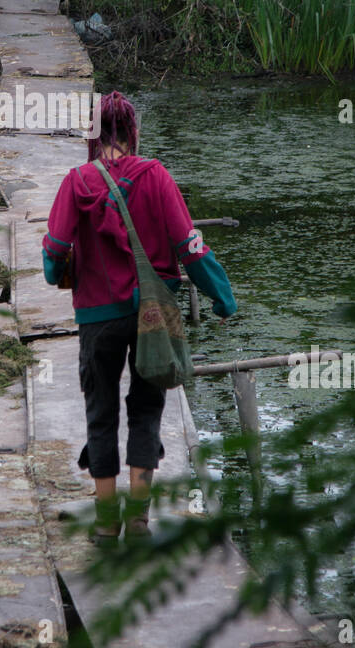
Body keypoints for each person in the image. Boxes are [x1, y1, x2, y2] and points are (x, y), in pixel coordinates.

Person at [42, 90, 236, 545]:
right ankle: (139, 523)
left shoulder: (76, 181)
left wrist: (57, 275)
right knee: (147, 412)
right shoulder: (156, 176)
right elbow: (191, 248)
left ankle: (106, 523)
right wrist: (221, 297)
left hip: (96, 316)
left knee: (101, 412)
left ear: (93, 134)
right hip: (153, 317)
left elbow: (54, 250)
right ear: (132, 132)